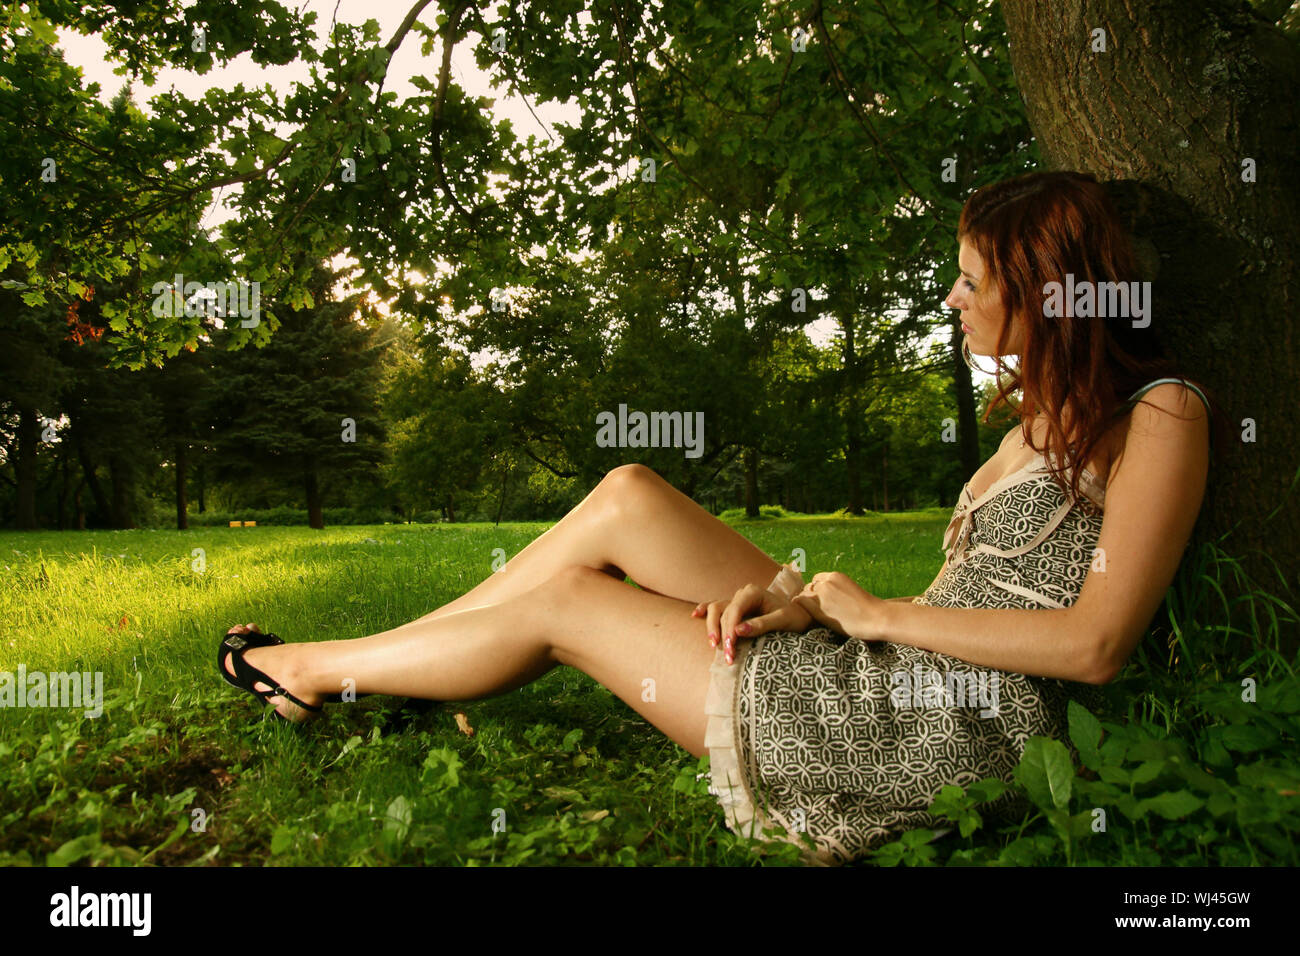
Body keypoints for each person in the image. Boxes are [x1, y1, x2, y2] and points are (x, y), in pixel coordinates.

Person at [218, 170, 1218, 865]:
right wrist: (823, 611)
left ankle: (308, 671)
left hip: (941, 731)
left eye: (969, 278)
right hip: (900, 662)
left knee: (571, 602)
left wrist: (874, 616)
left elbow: (1093, 645)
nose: (951, 299)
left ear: (1043, 295)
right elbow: (973, 600)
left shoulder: (1159, 413)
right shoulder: (1036, 417)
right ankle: (396, 664)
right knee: (628, 495)